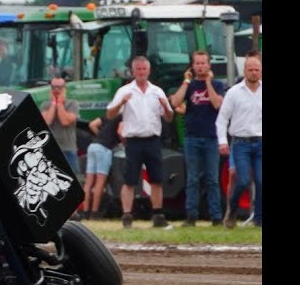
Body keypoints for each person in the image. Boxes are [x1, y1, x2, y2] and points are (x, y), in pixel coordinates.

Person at [105, 55, 175, 228]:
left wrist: (166, 106)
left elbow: (169, 117)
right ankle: (127, 215)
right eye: (139, 69)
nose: (142, 72)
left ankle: (158, 215)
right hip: (134, 141)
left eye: (144, 69)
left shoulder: (157, 91)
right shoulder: (125, 91)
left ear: (149, 71)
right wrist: (121, 102)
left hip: (152, 140)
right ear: (133, 71)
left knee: (156, 179)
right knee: (129, 180)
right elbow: (109, 115)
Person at [169, 51, 226, 227]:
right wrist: (186, 81)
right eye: (197, 63)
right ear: (192, 66)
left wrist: (208, 81)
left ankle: (216, 217)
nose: (201, 66)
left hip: (211, 137)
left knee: (212, 179)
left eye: (203, 63)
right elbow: (175, 102)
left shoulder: (217, 84)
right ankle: (191, 216)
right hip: (192, 138)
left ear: (209, 65)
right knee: (192, 178)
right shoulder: (190, 86)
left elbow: (217, 104)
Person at [216, 53, 262, 228]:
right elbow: (222, 119)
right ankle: (232, 209)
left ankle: (259, 218)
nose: (253, 73)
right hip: (240, 143)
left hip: (260, 142)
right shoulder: (234, 93)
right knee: (242, 180)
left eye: (256, 70)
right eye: (250, 69)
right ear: (244, 71)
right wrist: (222, 141)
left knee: (260, 180)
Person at [81, 113, 121, 220]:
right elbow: (120, 131)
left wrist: (100, 136)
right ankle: (94, 213)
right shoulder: (122, 116)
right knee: (100, 182)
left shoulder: (108, 114)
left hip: (93, 146)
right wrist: (118, 142)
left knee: (88, 183)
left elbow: (92, 124)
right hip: (104, 149)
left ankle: (85, 212)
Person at [41, 76, 81, 176]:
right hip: (51, 149)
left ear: (65, 89)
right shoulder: (45, 105)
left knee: (73, 181)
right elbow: (47, 121)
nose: (57, 90)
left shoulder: (72, 104)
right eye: (54, 87)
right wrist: (54, 103)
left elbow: (65, 121)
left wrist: (59, 104)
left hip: (68, 149)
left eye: (60, 87)